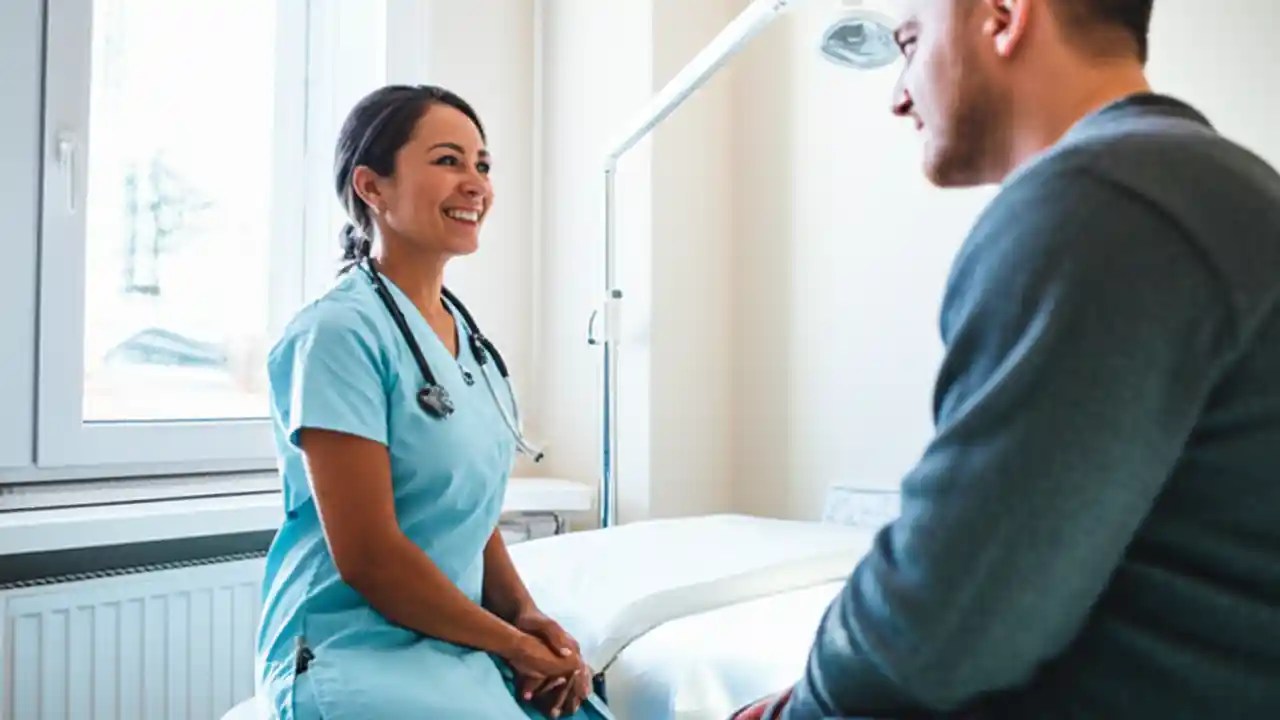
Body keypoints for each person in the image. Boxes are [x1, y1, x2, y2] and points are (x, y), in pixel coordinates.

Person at [736, 0, 1280, 718]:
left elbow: (936, 629)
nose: (899, 96)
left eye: (909, 44)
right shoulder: (1201, 187)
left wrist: (795, 710)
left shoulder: (1098, 202)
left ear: (1002, 15)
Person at [254, 85, 612, 719]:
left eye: (483, 164)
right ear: (373, 187)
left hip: (455, 639)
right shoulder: (337, 336)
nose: (476, 183)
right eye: (449, 161)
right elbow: (371, 558)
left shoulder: (467, 343)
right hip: (354, 650)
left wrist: (526, 616)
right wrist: (513, 644)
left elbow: (467, 517)